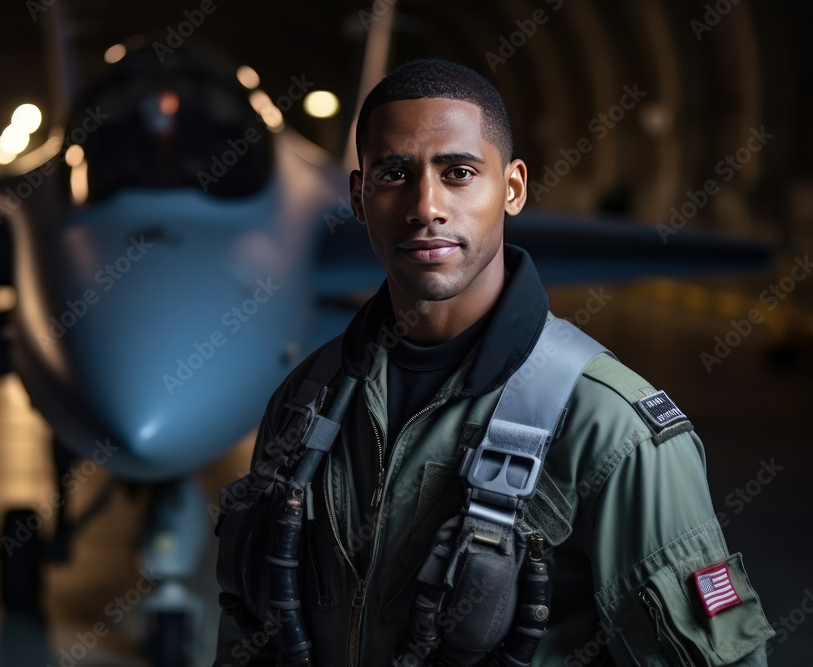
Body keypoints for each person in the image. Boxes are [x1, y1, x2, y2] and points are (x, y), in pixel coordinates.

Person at [213, 58, 774, 666]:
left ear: (512, 188)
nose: (425, 205)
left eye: (458, 173)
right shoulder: (305, 399)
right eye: (394, 174)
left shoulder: (611, 431)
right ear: (358, 196)